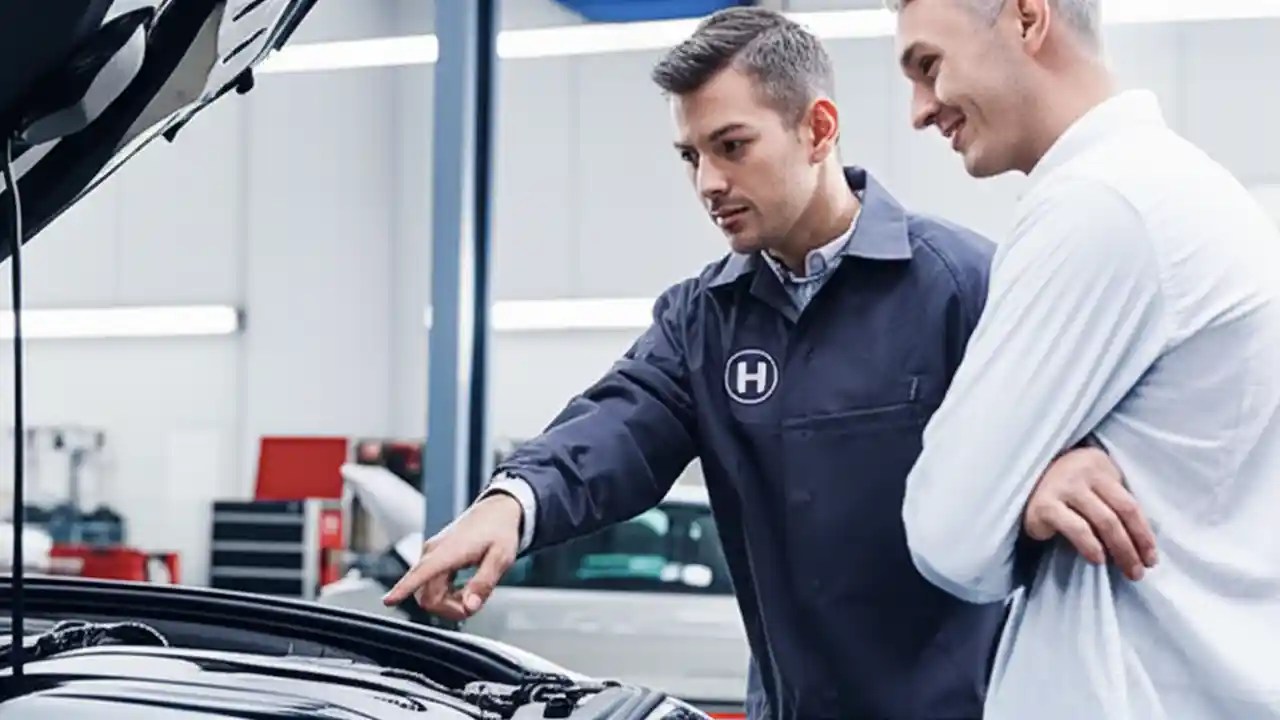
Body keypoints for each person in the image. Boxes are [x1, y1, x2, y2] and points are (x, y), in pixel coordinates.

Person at [383, 7, 1115, 718]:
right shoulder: (704, 320)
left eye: (732, 146)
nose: (707, 182)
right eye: (691, 155)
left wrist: (1065, 459)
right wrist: (512, 502)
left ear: (817, 129)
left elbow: (1063, 431)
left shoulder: (961, 286)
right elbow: (618, 425)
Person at [888, 0, 1280, 718]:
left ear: (1028, 18)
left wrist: (1008, 484)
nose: (920, 109)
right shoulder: (1181, 188)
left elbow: (946, 527)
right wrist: (1033, 482)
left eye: (928, 65)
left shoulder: (1102, 205)